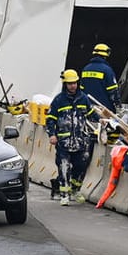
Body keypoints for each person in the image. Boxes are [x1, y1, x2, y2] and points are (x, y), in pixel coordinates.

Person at [46, 70, 94, 204]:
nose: (73, 86)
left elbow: (91, 115)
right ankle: (64, 195)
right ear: (65, 84)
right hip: (63, 142)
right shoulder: (59, 100)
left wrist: (101, 121)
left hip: (80, 141)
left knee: (81, 166)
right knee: (64, 167)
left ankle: (75, 189)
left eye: (74, 83)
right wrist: (52, 135)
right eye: (70, 83)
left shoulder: (83, 98)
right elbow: (50, 119)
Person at [78, 43, 119, 110]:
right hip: (103, 109)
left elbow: (81, 90)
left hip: (88, 107)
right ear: (105, 55)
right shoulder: (107, 70)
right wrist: (118, 106)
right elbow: (113, 91)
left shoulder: (85, 69)